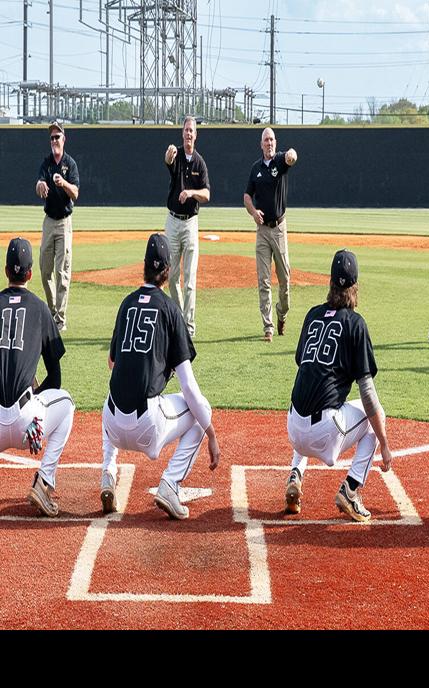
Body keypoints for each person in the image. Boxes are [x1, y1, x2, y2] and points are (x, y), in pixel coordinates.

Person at [100, 234, 222, 520]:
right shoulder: (169, 309)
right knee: (199, 409)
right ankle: (170, 484)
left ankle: (107, 472)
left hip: (113, 425)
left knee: (112, 394)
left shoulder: (127, 303)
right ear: (168, 270)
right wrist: (212, 434)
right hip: (147, 426)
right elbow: (188, 386)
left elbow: (112, 362)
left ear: (144, 266)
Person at [284, 249, 394, 523]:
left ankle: (295, 473)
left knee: (309, 393)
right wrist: (384, 443)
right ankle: (351, 490)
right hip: (325, 433)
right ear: (355, 286)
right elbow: (367, 395)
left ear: (331, 282)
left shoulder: (312, 315)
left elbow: (304, 367)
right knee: (375, 416)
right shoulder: (355, 324)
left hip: (293, 427)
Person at [0, 238, 74, 517]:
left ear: (6, 270)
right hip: (25, 426)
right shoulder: (42, 309)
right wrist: (36, 413)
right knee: (66, 403)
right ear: (30, 274)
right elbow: (55, 377)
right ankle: (44, 482)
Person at [243, 127, 299, 342]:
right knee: (263, 280)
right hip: (262, 230)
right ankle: (268, 326)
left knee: (285, 278)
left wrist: (291, 154)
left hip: (279, 229)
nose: (269, 143)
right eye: (266, 140)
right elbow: (247, 196)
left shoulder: (279, 162)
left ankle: (281, 312)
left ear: (276, 143)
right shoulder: (256, 168)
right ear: (261, 144)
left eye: (272, 140)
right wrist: (253, 212)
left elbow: (291, 157)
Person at [162, 115, 211, 337]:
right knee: (171, 276)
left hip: (190, 223)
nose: (188, 134)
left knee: (190, 280)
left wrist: (191, 192)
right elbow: (168, 161)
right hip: (173, 222)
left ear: (196, 134)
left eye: (191, 130)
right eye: (185, 130)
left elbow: (207, 193)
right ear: (182, 133)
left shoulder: (199, 162)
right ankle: (179, 319)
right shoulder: (177, 156)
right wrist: (169, 154)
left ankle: (189, 327)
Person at [35, 121, 80, 332]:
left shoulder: (70, 164)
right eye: (52, 137)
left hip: (64, 222)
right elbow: (39, 183)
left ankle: (60, 318)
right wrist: (40, 185)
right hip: (48, 221)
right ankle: (53, 310)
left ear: (64, 139)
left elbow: (76, 193)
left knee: (63, 272)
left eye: (57, 136)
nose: (54, 140)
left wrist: (64, 183)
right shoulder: (46, 163)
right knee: (45, 269)